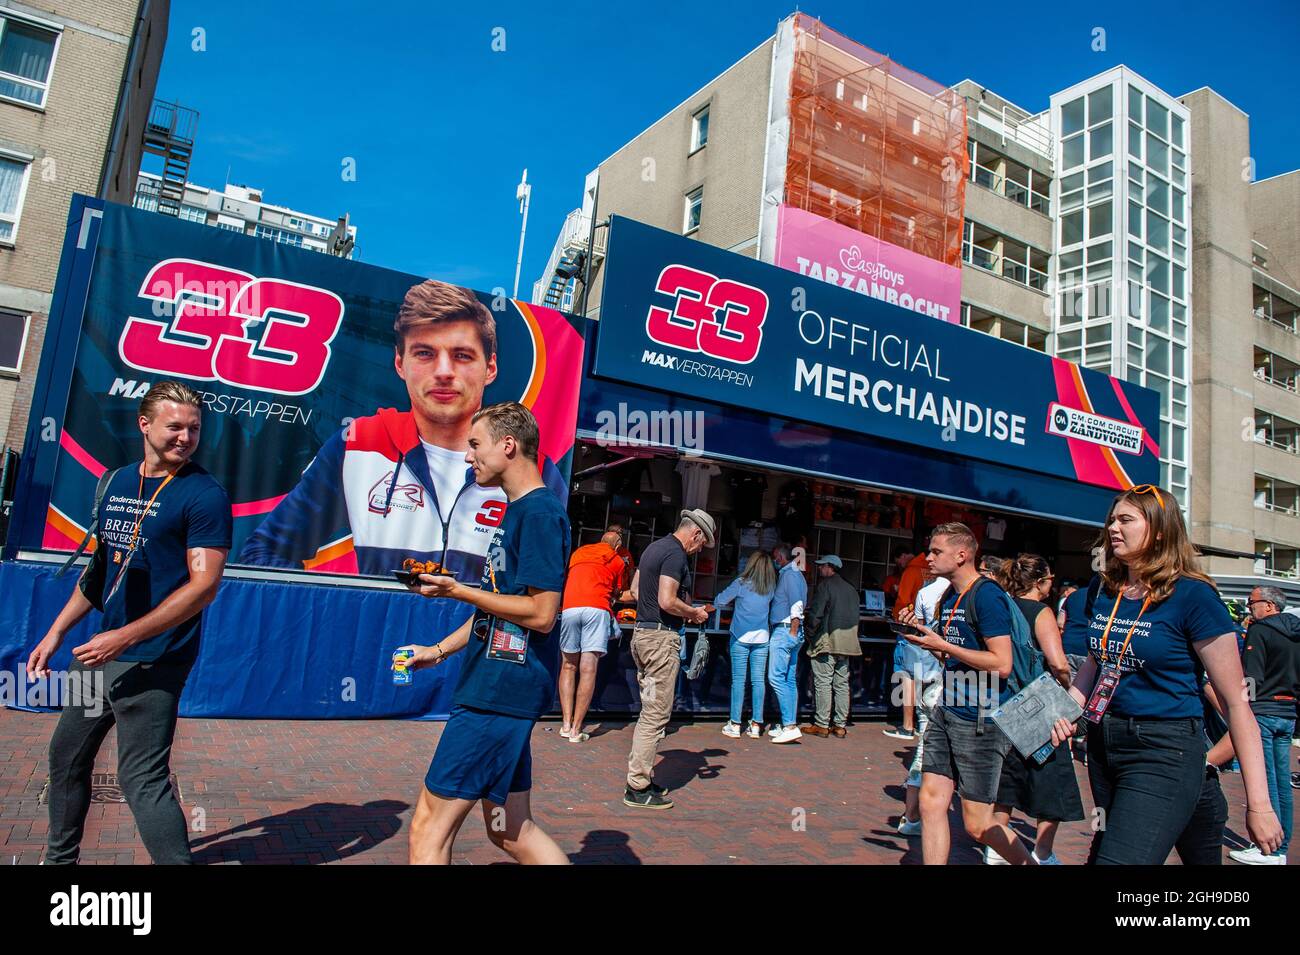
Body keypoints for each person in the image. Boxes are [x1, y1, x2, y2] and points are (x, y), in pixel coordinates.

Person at [28, 382, 232, 864]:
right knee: (65, 758)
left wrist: (125, 636)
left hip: (152, 659)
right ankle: (59, 861)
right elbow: (99, 571)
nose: (185, 437)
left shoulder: (203, 495)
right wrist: (56, 632)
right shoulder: (115, 481)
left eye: (194, 428)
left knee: (140, 777)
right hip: (95, 655)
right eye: (175, 426)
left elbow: (204, 586)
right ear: (145, 424)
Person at [240, 279, 558, 578]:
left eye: (462, 355)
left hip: (471, 638)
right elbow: (263, 552)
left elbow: (548, 587)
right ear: (399, 364)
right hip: (383, 638)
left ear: (489, 368)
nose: (444, 372)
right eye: (425, 353)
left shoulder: (534, 468)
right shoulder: (358, 444)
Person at [1048, 485, 1284, 864]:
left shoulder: (1194, 596)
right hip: (1105, 744)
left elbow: (1237, 705)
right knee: (1106, 852)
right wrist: (1065, 710)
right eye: (1112, 519)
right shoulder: (1104, 588)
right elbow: (1096, 663)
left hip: (1164, 748)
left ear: (1159, 531)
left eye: (1126, 520)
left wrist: (1259, 804)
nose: (1112, 527)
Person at [400, 402, 570, 864]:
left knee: (427, 828)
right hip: (501, 692)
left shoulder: (538, 514)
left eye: (475, 444)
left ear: (508, 445)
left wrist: (459, 591)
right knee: (511, 831)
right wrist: (437, 650)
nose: (468, 456)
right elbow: (501, 610)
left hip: (498, 695)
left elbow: (540, 614)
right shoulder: (518, 511)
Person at [897, 522, 1034, 865]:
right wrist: (925, 636)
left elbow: (1001, 663)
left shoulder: (985, 594)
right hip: (948, 708)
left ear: (962, 555)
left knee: (976, 825)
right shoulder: (951, 595)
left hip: (980, 718)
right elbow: (952, 654)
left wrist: (942, 645)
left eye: (936, 551)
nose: (928, 557)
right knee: (930, 801)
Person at [985, 554, 1083, 866]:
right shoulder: (1041, 612)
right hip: (1037, 704)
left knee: (1006, 780)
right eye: (1050, 578)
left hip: (1003, 703)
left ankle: (996, 843)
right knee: (1051, 780)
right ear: (1040, 582)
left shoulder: (1002, 606)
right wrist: (1067, 686)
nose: (1052, 584)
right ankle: (1043, 852)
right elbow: (1057, 662)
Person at [622, 509, 714, 809]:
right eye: (702, 544)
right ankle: (637, 786)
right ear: (696, 534)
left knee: (649, 709)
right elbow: (667, 600)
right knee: (656, 715)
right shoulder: (676, 555)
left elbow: (635, 591)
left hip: (642, 635)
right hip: (661, 640)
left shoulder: (653, 548)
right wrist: (694, 613)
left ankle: (642, 778)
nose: (699, 549)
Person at [1211, 586, 1298, 864]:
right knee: (1281, 780)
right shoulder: (1295, 632)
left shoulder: (1261, 631)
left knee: (1267, 778)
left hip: (1263, 710)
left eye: (1252, 603)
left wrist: (1240, 706)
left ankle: (1270, 849)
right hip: (1288, 711)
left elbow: (1252, 675)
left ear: (1270, 605)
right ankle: (1281, 846)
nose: (1249, 609)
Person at [557, 526, 633, 743]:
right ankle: (576, 730)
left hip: (570, 607)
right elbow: (617, 593)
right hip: (596, 609)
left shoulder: (577, 553)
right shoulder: (617, 560)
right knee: (588, 669)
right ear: (617, 546)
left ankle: (565, 723)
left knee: (567, 666)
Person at [896, 571, 947, 837]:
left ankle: (912, 817)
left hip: (930, 680)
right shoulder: (961, 598)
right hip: (947, 687)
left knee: (924, 749)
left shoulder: (926, 594)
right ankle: (916, 816)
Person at [712, 551, 777, 739]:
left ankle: (735, 724)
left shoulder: (741, 583)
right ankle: (756, 724)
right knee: (758, 682)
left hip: (740, 637)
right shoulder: (770, 587)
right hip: (762, 638)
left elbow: (720, 600)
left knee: (738, 682)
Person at [801, 555, 861, 738]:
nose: (819, 569)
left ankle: (821, 724)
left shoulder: (825, 586)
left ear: (830, 567)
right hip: (847, 643)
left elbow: (816, 614)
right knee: (842, 684)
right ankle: (840, 725)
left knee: (823, 683)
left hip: (827, 641)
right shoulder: (852, 590)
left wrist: (809, 633)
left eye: (822, 566)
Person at [767, 543, 809, 744]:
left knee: (775, 677)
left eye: (775, 558)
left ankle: (790, 725)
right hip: (791, 631)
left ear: (781, 558)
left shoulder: (790, 575)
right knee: (789, 679)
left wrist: (793, 629)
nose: (774, 561)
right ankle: (788, 724)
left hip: (785, 630)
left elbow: (796, 605)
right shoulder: (796, 574)